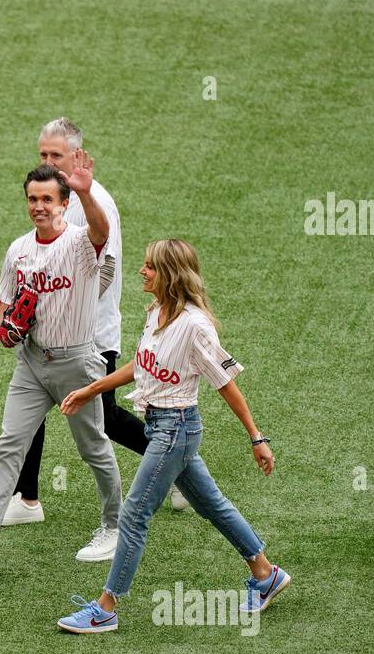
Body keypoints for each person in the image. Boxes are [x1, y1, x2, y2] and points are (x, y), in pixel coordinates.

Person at [54, 238, 291, 633]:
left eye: (150, 266)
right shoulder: (157, 312)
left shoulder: (196, 327)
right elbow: (140, 365)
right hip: (161, 426)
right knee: (212, 505)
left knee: (134, 513)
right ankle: (265, 573)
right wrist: (93, 389)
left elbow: (226, 385)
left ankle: (105, 608)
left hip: (176, 429)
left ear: (171, 274)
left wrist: (256, 437)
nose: (142, 271)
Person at [0, 156, 122, 578]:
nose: (39, 206)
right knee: (9, 445)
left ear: (63, 202)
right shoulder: (17, 249)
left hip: (77, 364)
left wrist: (88, 191)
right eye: (33, 199)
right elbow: (4, 304)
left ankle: (114, 526)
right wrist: (6, 326)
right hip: (32, 365)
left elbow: (101, 232)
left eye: (48, 199)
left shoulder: (79, 242)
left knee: (93, 448)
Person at [3, 119, 189, 533]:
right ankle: (27, 496)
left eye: (56, 155)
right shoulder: (56, 198)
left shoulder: (89, 202)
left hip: (87, 335)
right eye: (43, 155)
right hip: (50, 335)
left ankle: (180, 465)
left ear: (76, 156)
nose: (49, 162)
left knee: (102, 416)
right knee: (31, 407)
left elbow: (98, 273)